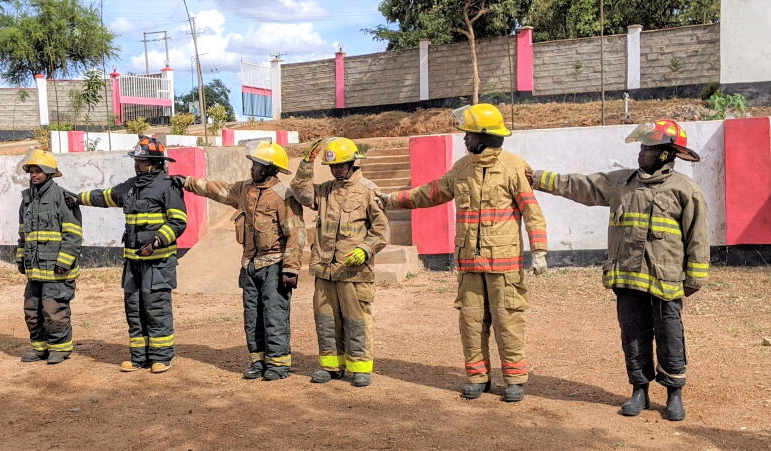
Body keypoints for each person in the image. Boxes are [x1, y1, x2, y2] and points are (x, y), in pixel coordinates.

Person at [528, 119, 709, 421]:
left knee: (670, 335)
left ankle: (674, 393)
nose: (640, 153)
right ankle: (639, 390)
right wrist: (536, 178)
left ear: (665, 154)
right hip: (627, 276)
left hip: (665, 279)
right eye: (641, 147)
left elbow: (698, 237)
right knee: (634, 336)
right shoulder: (621, 183)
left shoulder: (685, 189)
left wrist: (694, 278)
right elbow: (579, 185)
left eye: (647, 149)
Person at [379, 104, 548, 402]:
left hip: (504, 266)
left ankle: (514, 380)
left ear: (482, 136)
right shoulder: (462, 167)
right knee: (471, 321)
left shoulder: (514, 168)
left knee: (508, 320)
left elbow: (532, 212)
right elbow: (431, 192)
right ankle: (477, 377)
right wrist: (393, 199)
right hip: (470, 263)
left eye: (468, 134)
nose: (464, 139)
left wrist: (540, 251)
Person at [170, 142, 305, 381]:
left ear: (270, 169)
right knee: (252, 316)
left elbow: (295, 232)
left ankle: (278, 364)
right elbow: (216, 189)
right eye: (253, 163)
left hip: (274, 265)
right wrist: (186, 181)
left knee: (274, 316)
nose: (252, 168)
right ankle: (258, 361)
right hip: (249, 265)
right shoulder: (244, 190)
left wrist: (291, 268)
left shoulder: (284, 196)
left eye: (257, 164)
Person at [66, 136, 187, 374]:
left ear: (154, 162)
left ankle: (161, 357)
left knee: (156, 309)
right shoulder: (131, 186)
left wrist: (157, 240)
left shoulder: (168, 186)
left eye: (141, 161)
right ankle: (139, 358)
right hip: (133, 261)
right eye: (136, 160)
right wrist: (78, 198)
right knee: (134, 308)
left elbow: (178, 221)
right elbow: (106, 196)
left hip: (158, 262)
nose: (136, 165)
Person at [291, 137, 389, 387]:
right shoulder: (324, 191)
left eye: (340, 166)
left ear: (353, 163)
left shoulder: (369, 191)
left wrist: (365, 250)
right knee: (326, 320)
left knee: (356, 320)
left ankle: (360, 367)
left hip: (354, 271)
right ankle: (331, 366)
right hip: (325, 270)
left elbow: (381, 232)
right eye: (332, 167)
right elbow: (301, 192)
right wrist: (305, 164)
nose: (336, 170)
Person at [16, 149, 83, 365]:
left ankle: (60, 349)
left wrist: (63, 263)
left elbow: (73, 235)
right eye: (31, 171)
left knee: (54, 310)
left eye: (38, 171)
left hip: (57, 269)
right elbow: (22, 234)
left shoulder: (62, 198)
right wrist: (21, 258)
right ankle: (39, 349)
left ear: (49, 173)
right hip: (35, 270)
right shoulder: (26, 201)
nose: (33, 175)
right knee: (32, 310)